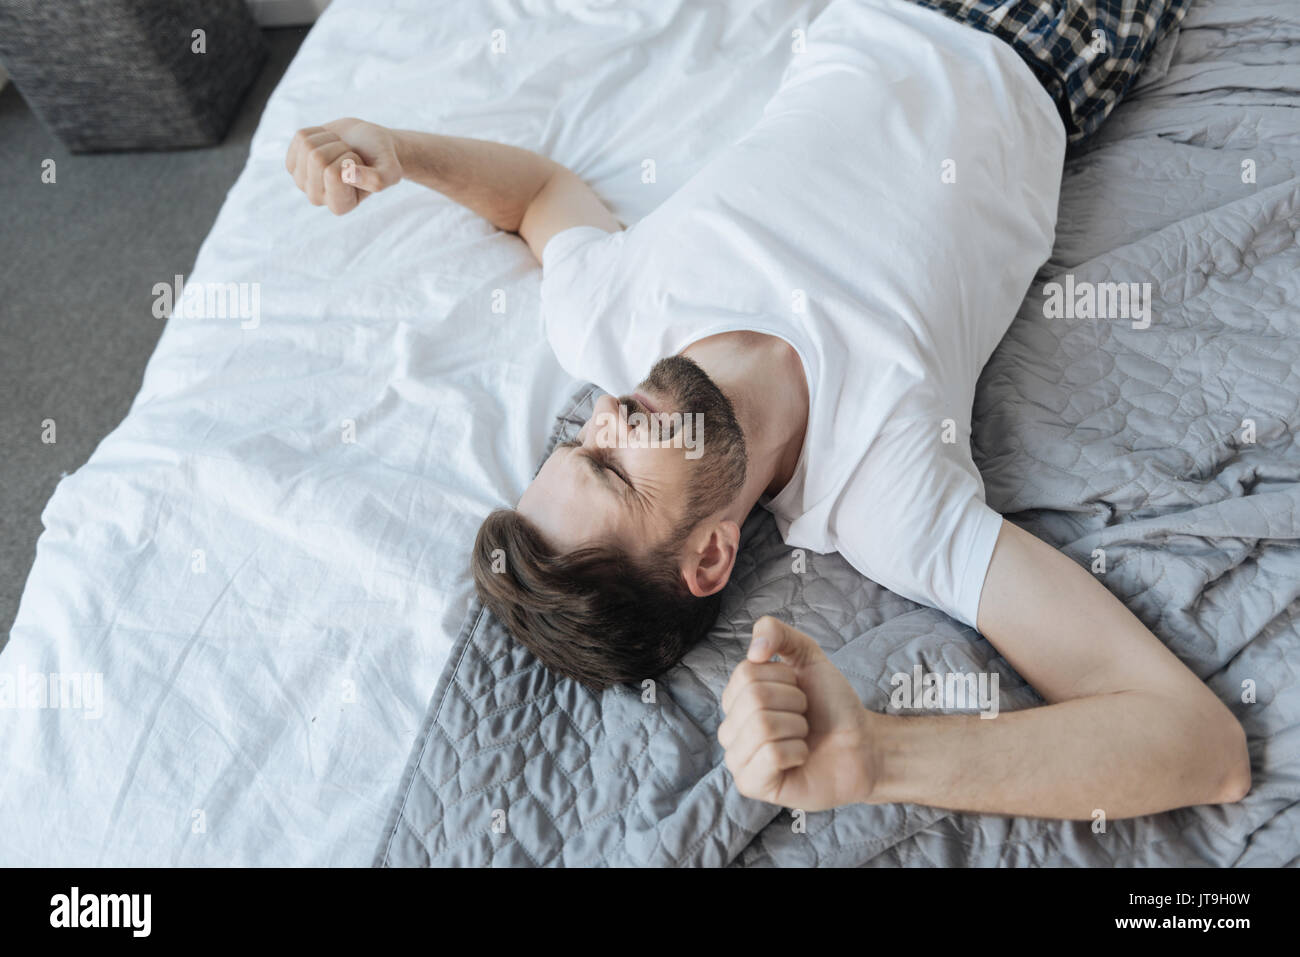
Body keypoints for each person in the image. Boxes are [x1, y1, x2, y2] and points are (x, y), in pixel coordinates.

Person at [285, 0, 1250, 819]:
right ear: (710, 555)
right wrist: (876, 755)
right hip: (1040, 34)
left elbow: (539, 193)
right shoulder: (886, 497)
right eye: (615, 466)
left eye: (584, 434)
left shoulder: (609, 322)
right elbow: (1200, 743)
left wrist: (400, 150)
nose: (611, 413)